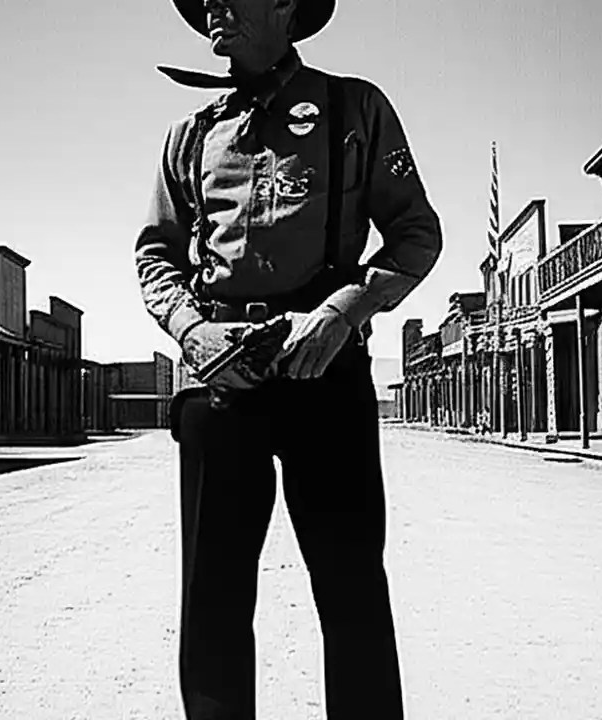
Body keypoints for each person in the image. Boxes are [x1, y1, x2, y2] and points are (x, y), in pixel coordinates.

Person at [134, 0, 443, 717]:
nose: (214, 3)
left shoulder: (355, 109)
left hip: (325, 377)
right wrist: (191, 331)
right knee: (211, 596)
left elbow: (416, 233)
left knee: (352, 588)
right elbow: (157, 254)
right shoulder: (192, 135)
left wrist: (344, 311)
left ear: (286, 4)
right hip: (223, 385)